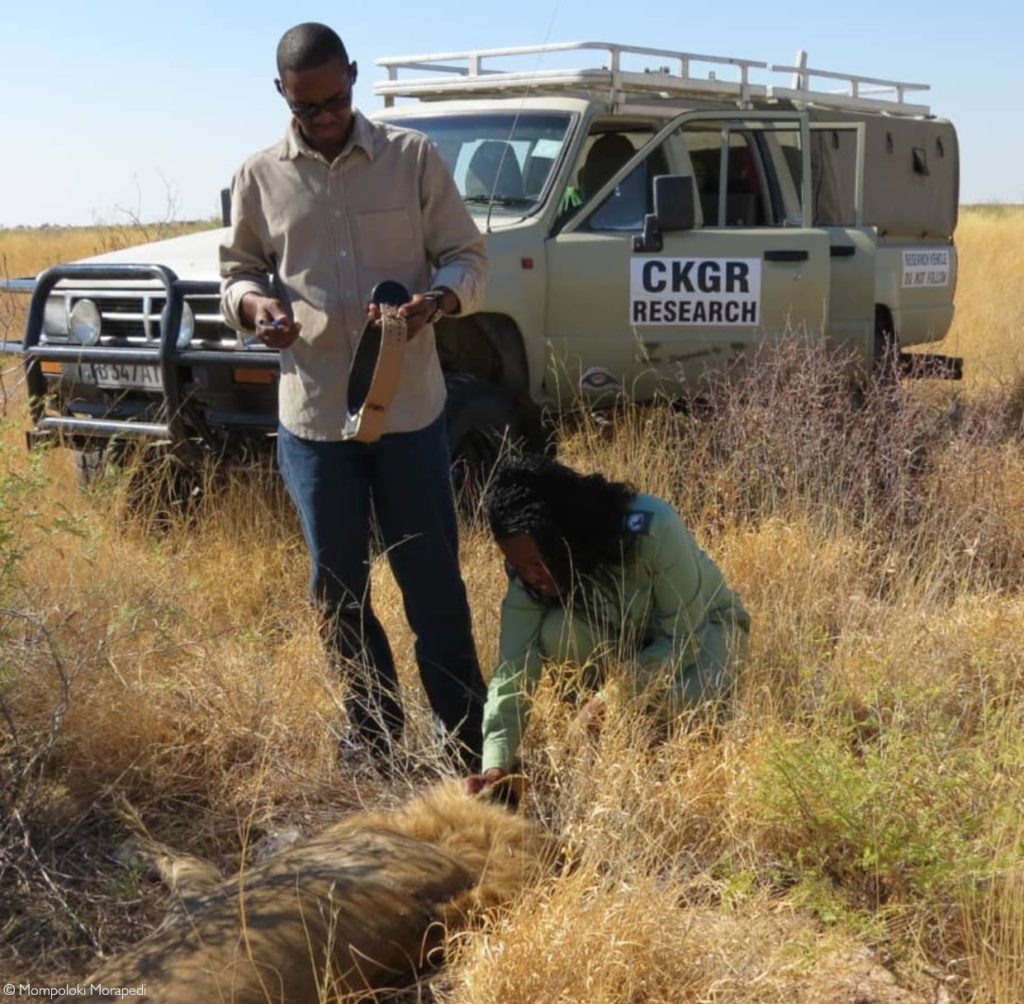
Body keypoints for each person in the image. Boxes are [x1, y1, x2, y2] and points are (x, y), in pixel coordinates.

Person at [219, 22, 489, 771]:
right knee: (337, 588)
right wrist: (255, 309)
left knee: (430, 577)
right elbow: (238, 270)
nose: (326, 116)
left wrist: (439, 301)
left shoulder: (412, 158)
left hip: (408, 412)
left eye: (337, 98)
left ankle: (465, 735)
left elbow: (467, 253)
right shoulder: (258, 176)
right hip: (312, 419)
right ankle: (372, 735)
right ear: (284, 96)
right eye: (309, 108)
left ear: (353, 78)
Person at [465, 456, 750, 793]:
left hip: (705, 631)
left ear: (565, 536)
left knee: (680, 700)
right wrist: (495, 765)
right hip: (627, 642)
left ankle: (625, 727)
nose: (530, 576)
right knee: (557, 632)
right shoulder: (527, 575)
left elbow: (684, 639)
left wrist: (611, 699)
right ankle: (602, 728)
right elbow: (513, 670)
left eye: (536, 563)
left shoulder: (652, 527)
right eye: (517, 566)